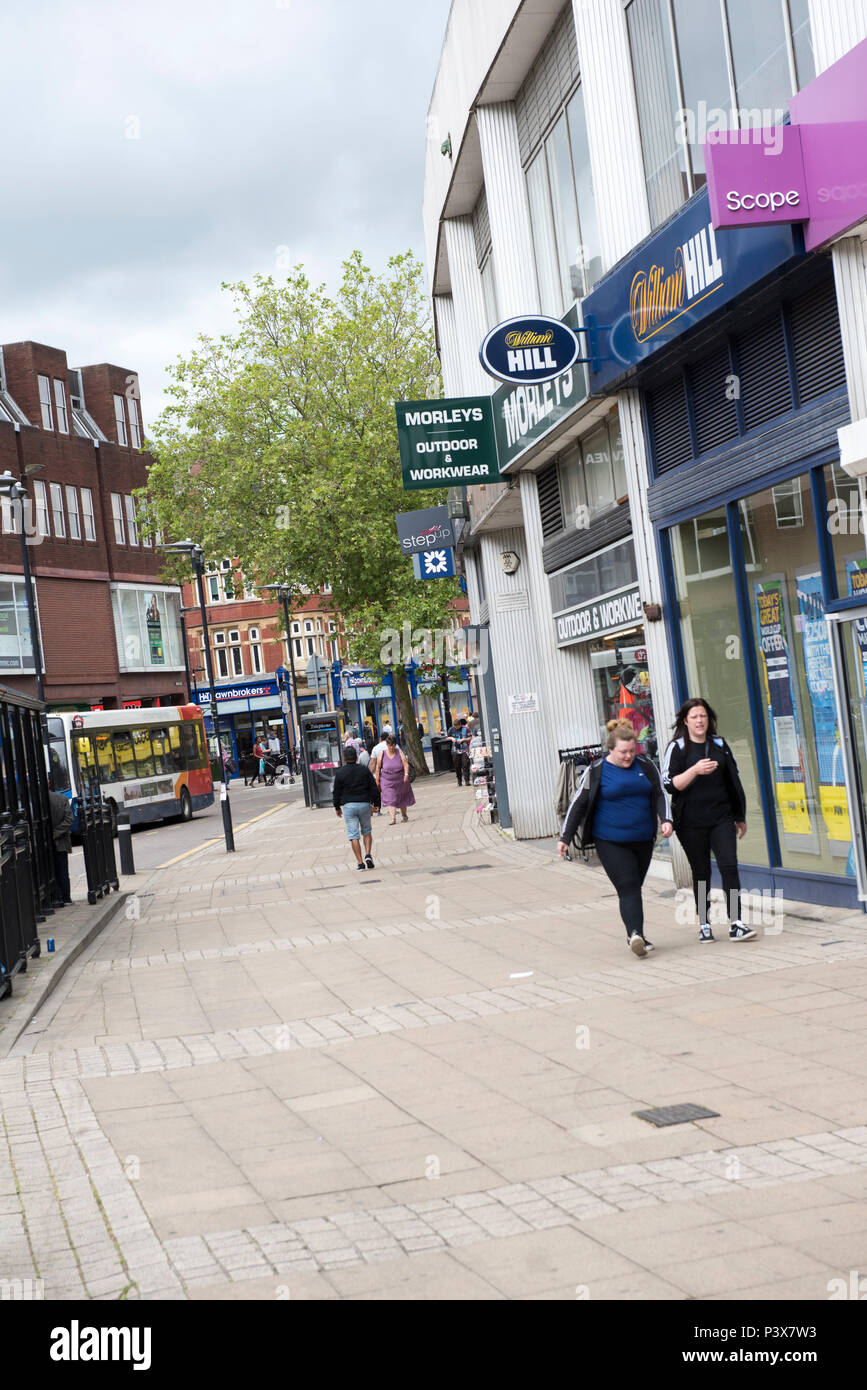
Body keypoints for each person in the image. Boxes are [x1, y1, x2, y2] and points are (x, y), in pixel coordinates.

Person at [557, 720, 673, 957]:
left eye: (632, 751)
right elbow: (578, 803)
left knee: (633, 887)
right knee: (628, 885)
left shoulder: (646, 764)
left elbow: (659, 792)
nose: (628, 756)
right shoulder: (596, 770)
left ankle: (636, 933)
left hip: (642, 838)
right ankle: (635, 935)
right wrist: (565, 837)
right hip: (610, 840)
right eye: (623, 752)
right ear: (611, 749)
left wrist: (666, 819)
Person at [662, 697, 754, 943]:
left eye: (703, 716)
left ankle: (737, 923)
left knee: (729, 866)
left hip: (721, 817)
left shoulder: (719, 744)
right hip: (691, 822)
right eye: (694, 717)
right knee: (701, 872)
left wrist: (740, 815)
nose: (700, 721)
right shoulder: (678, 748)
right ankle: (704, 923)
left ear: (709, 718)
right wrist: (694, 770)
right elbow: (669, 785)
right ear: (685, 721)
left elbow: (733, 780)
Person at [332, 746, 378, 870]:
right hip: (364, 804)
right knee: (367, 831)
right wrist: (376, 804)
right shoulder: (364, 770)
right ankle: (368, 854)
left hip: (349, 806)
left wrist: (337, 807)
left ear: (344, 758)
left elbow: (336, 792)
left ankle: (360, 863)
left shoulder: (340, 773)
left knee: (353, 835)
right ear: (356, 756)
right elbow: (373, 788)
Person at [376, 732, 415, 825]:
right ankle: (393, 818)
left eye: (393, 745)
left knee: (402, 798)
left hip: (400, 779)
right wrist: (377, 780)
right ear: (387, 745)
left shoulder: (399, 751)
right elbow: (378, 768)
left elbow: (405, 764)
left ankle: (404, 815)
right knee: (390, 798)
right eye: (390, 746)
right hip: (386, 780)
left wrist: (406, 774)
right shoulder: (382, 753)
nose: (392, 748)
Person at [48, 790, 74, 906]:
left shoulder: (35, 801)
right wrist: (56, 833)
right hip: (61, 842)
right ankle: (66, 898)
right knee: (63, 870)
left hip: (43, 844)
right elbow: (69, 819)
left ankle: (54, 898)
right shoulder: (62, 798)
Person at [446, 717, 471, 786]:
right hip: (455, 750)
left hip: (464, 750)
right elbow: (447, 737)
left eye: (457, 726)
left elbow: (470, 738)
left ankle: (467, 780)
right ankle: (459, 780)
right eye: (455, 726)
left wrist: (463, 740)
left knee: (465, 765)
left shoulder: (465, 729)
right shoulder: (451, 729)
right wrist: (452, 738)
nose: (456, 728)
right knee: (457, 766)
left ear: (460, 724)